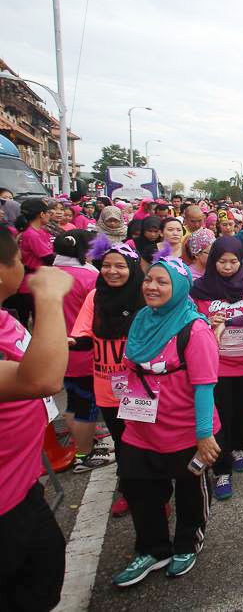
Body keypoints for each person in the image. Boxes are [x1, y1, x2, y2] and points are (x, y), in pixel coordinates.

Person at [112, 254, 221, 587]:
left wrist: (204, 436)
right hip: (140, 427)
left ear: (180, 287)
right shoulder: (143, 318)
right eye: (149, 280)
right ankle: (152, 549)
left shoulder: (195, 329)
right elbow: (131, 366)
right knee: (138, 488)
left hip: (186, 431)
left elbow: (205, 387)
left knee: (189, 492)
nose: (152, 287)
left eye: (162, 282)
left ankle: (187, 544)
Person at [0, 246, 74, 612]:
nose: (25, 266)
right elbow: (42, 379)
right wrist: (48, 297)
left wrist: (54, 343)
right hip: (4, 509)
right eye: (17, 258)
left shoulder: (4, 319)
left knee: (42, 575)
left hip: (22, 488)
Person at [70, 236, 146, 517]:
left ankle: (154, 493)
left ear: (133, 269)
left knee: (144, 440)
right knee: (121, 442)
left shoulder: (145, 298)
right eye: (107, 266)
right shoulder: (95, 296)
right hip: (106, 386)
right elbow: (84, 332)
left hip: (141, 386)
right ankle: (129, 490)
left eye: (120, 266)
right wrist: (72, 342)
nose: (112, 271)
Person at [191, 236, 243, 500]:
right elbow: (191, 316)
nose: (228, 267)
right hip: (215, 365)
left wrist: (231, 321)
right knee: (220, 415)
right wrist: (207, 320)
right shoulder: (201, 287)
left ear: (242, 260)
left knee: (240, 410)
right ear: (212, 261)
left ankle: (238, 448)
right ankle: (221, 468)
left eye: (233, 261)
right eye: (222, 261)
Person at [52, 230, 113, 473]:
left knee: (73, 403)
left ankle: (82, 445)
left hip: (59, 349)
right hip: (85, 351)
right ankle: (84, 454)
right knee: (86, 407)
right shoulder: (89, 278)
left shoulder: (49, 275)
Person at [13, 198, 55, 324]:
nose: (49, 214)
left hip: (39, 280)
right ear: (41, 214)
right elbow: (48, 258)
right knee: (37, 321)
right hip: (31, 284)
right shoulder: (32, 234)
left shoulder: (41, 231)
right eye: (48, 212)